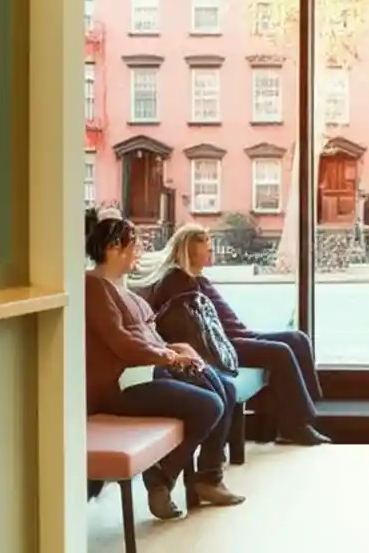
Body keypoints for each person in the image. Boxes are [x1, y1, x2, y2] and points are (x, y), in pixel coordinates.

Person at [84, 209, 245, 520]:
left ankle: (209, 477)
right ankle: (163, 477)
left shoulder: (121, 287)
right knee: (208, 404)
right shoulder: (94, 287)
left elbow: (148, 336)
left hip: (146, 373)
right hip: (121, 385)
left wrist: (177, 348)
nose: (139, 252)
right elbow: (121, 342)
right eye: (134, 245)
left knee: (223, 386)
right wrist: (170, 356)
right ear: (113, 248)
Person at [141, 224, 331, 446]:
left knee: (297, 339)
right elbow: (196, 330)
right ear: (191, 254)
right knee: (281, 352)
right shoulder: (178, 282)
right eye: (207, 251)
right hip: (223, 345)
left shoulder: (196, 278)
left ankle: (310, 410)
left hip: (237, 336)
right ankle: (295, 427)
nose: (210, 257)